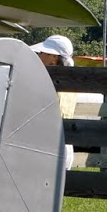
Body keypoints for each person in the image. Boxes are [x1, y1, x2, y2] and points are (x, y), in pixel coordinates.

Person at [29, 34, 77, 168]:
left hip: (48, 145)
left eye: (43, 52)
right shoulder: (73, 80)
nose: (39, 55)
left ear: (54, 57)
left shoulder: (50, 82)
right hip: (65, 144)